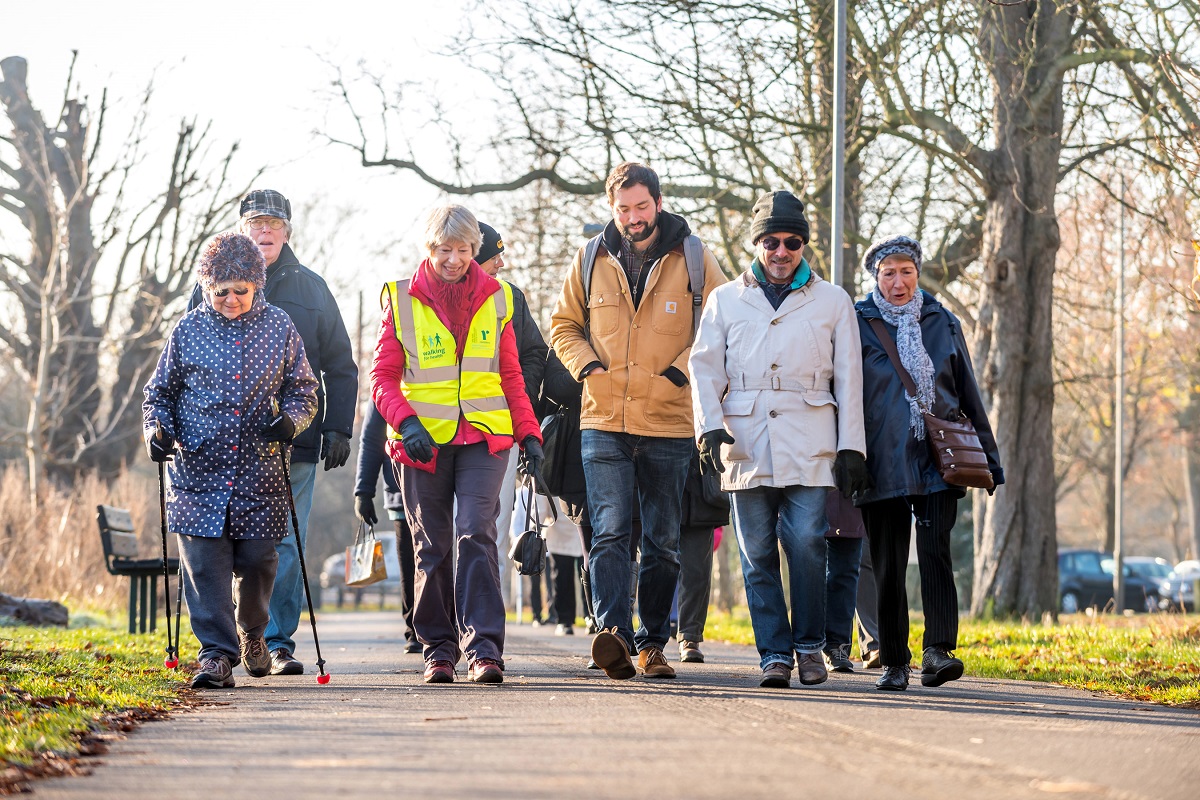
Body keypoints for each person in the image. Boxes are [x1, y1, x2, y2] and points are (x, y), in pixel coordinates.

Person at [551, 161, 727, 680]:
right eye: (623, 209)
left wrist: (679, 373)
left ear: (658, 202)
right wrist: (586, 366)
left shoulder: (695, 257)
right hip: (601, 418)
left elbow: (720, 326)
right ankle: (612, 635)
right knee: (606, 532)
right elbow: (564, 324)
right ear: (613, 208)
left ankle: (653, 643)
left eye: (642, 207)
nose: (633, 217)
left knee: (662, 539)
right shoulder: (589, 257)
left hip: (669, 422)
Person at [689, 190, 869, 688]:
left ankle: (809, 647)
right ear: (758, 244)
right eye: (772, 241)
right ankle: (774, 654)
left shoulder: (833, 300)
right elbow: (703, 368)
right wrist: (707, 426)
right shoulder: (726, 299)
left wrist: (853, 447)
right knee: (757, 553)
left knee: (809, 542)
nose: (781, 251)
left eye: (792, 242)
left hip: (812, 436)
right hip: (743, 439)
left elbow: (850, 378)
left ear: (803, 245)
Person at [371, 204, 543, 685]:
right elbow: (382, 377)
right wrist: (406, 424)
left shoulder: (499, 297)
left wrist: (530, 433)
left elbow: (510, 374)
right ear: (430, 249)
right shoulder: (400, 298)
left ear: (475, 250)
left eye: (463, 250)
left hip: (484, 438)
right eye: (444, 249)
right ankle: (439, 651)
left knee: (476, 533)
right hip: (422, 441)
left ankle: (485, 650)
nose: (453, 259)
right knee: (432, 546)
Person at [188, 189, 358, 677]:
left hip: (293, 443)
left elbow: (341, 366)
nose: (264, 231)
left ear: (287, 231)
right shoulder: (210, 285)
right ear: (242, 229)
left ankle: (278, 642)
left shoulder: (312, 289)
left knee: (284, 541)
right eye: (255, 223)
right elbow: (182, 360)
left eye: (273, 224)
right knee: (221, 543)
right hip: (218, 447)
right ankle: (225, 645)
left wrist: (338, 427)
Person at [145, 232, 318, 689]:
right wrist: (155, 430)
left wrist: (291, 422)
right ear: (206, 287)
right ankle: (216, 655)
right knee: (205, 569)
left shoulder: (280, 326)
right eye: (220, 291)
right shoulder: (187, 329)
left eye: (240, 290)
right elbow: (157, 394)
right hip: (197, 471)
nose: (231, 299)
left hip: (259, 471)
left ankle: (254, 634)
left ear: (256, 285)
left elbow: (304, 390)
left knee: (260, 562)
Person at [854, 235, 1003, 691]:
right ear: (875, 277)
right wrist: (845, 455)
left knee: (936, 550)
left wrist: (989, 458)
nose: (898, 283)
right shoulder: (857, 323)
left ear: (918, 274)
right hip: (879, 460)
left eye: (906, 272)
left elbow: (968, 391)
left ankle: (939, 651)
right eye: (888, 273)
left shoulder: (942, 321)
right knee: (888, 562)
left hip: (939, 459)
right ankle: (895, 660)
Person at [475, 222, 548, 610]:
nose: (501, 263)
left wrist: (521, 410)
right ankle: (444, 634)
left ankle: (486, 631)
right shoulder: (420, 299)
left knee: (491, 533)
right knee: (444, 538)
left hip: (497, 436)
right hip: (438, 439)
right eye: (493, 256)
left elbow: (535, 353)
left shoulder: (509, 297)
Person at [353, 403, 420, 653]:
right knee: (409, 563)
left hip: (440, 482)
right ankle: (414, 628)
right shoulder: (384, 382)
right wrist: (363, 491)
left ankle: (444, 626)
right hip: (399, 487)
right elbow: (371, 439)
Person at [676, 449, 730, 663]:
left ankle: (689, 637)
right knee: (655, 565)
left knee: (697, 570)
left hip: (702, 486)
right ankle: (650, 639)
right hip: (661, 482)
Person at [824, 490, 865, 672]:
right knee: (807, 570)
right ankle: (806, 645)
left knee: (845, 569)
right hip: (806, 476)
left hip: (849, 481)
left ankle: (837, 646)